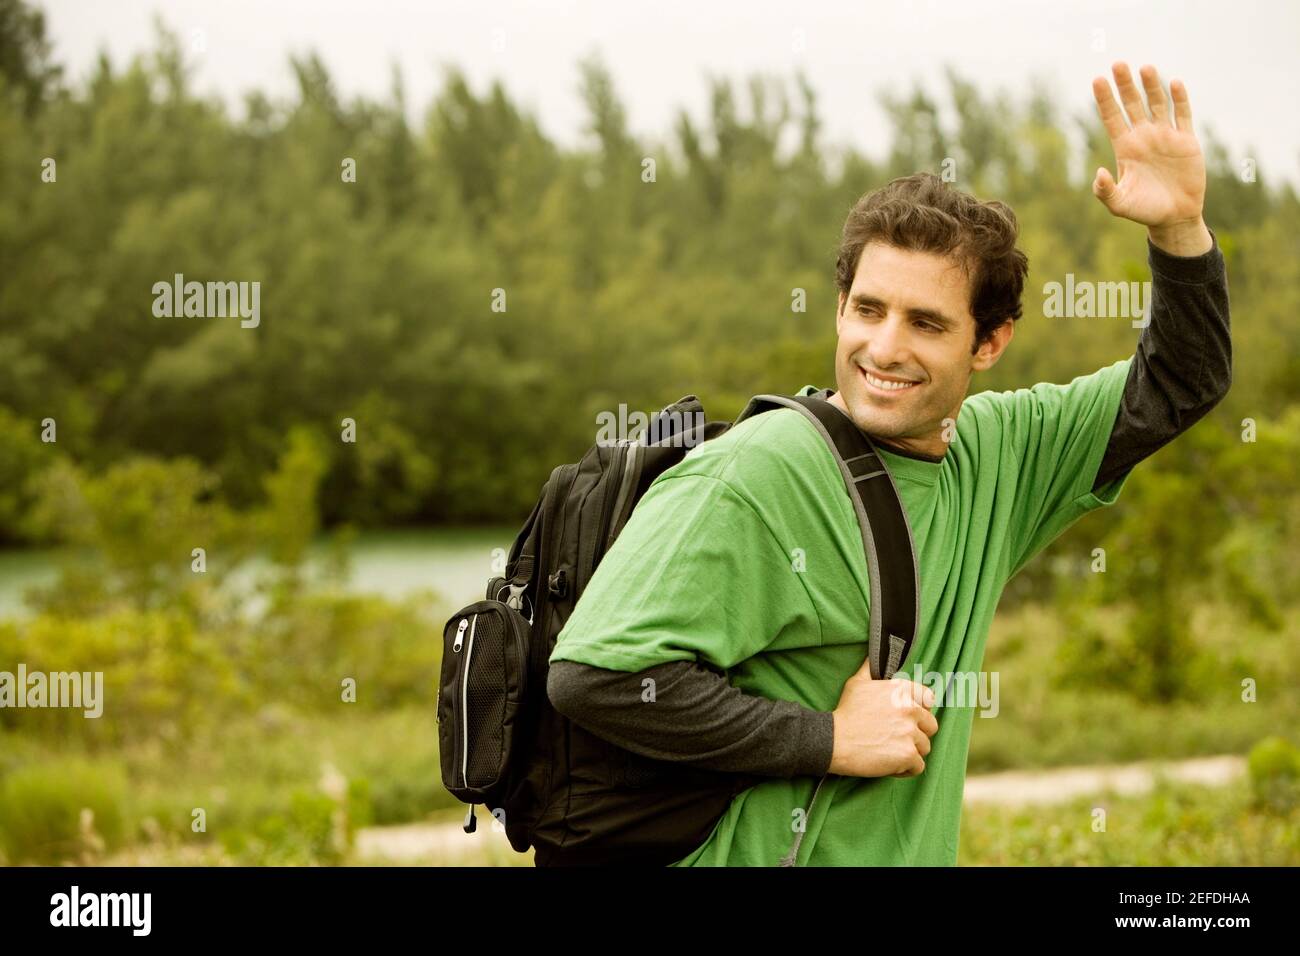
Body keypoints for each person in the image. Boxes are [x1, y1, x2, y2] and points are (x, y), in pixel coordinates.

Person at [546, 62, 1231, 866]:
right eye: (868, 310)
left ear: (989, 343)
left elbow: (1179, 382)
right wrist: (828, 737)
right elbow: (595, 676)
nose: (884, 347)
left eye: (926, 323)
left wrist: (1179, 232)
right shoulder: (757, 473)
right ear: (839, 308)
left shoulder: (1001, 454)